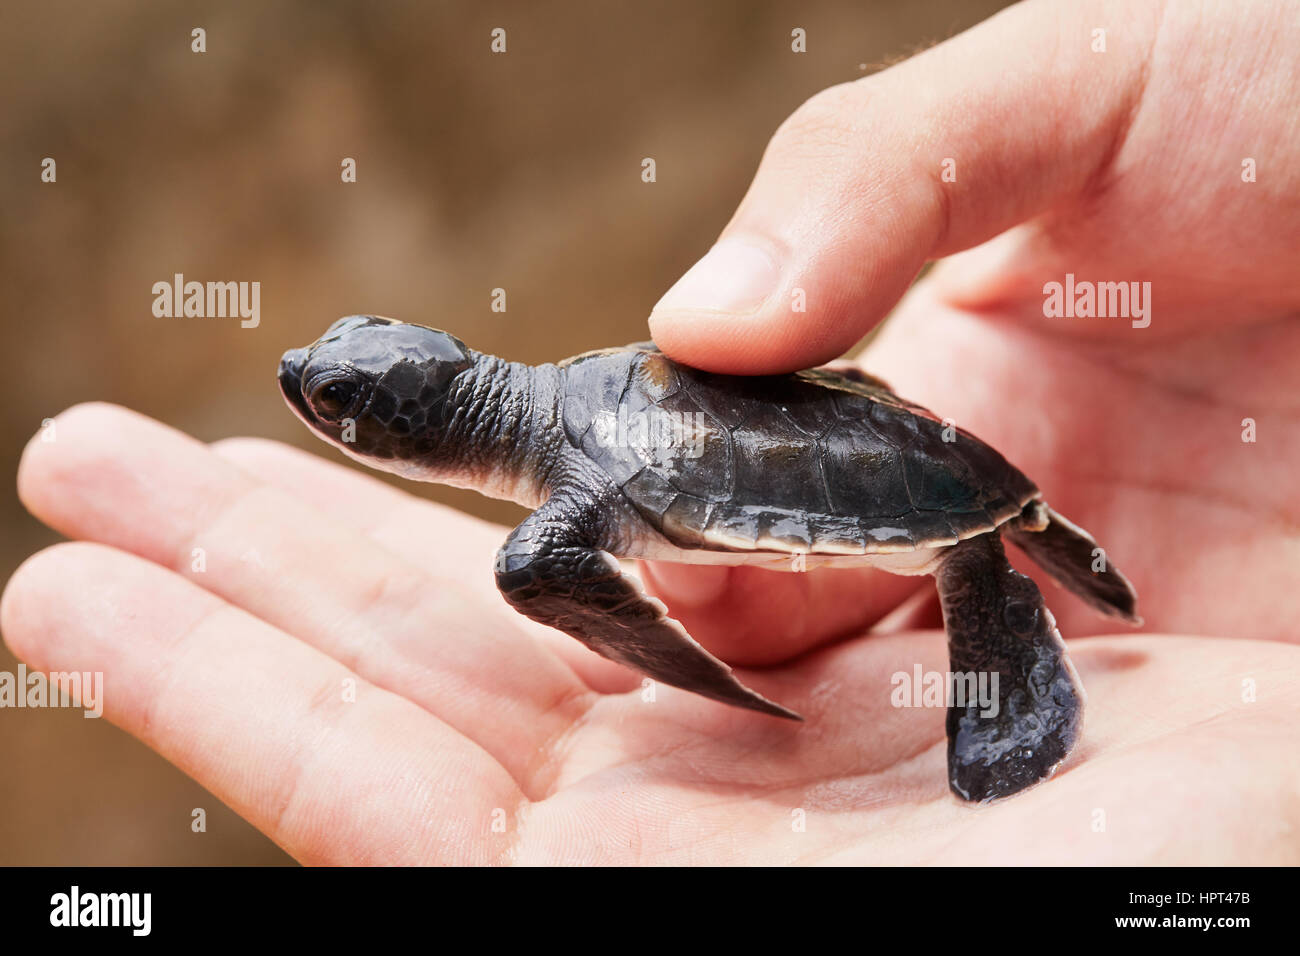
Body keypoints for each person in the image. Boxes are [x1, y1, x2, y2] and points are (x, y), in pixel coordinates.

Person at [4, 0, 1297, 864]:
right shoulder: (588, 394)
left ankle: (997, 596)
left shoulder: (562, 502)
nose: (310, 376)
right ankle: (1002, 558)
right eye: (334, 392)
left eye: (337, 398)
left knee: (939, 558)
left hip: (921, 500)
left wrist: (708, 685)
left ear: (414, 435)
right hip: (930, 469)